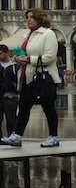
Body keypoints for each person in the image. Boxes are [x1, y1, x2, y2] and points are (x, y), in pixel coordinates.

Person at [1, 9, 61, 147]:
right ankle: (17, 135)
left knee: (48, 107)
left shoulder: (48, 34)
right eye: (27, 17)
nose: (28, 20)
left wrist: (29, 59)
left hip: (43, 77)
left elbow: (50, 56)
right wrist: (16, 58)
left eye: (31, 17)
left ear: (39, 19)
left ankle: (53, 136)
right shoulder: (27, 34)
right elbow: (19, 51)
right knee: (23, 107)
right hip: (27, 76)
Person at [0, 45, 19, 139]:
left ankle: (12, 136)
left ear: (6, 53)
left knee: (11, 118)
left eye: (0, 53)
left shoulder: (14, 65)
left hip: (11, 95)